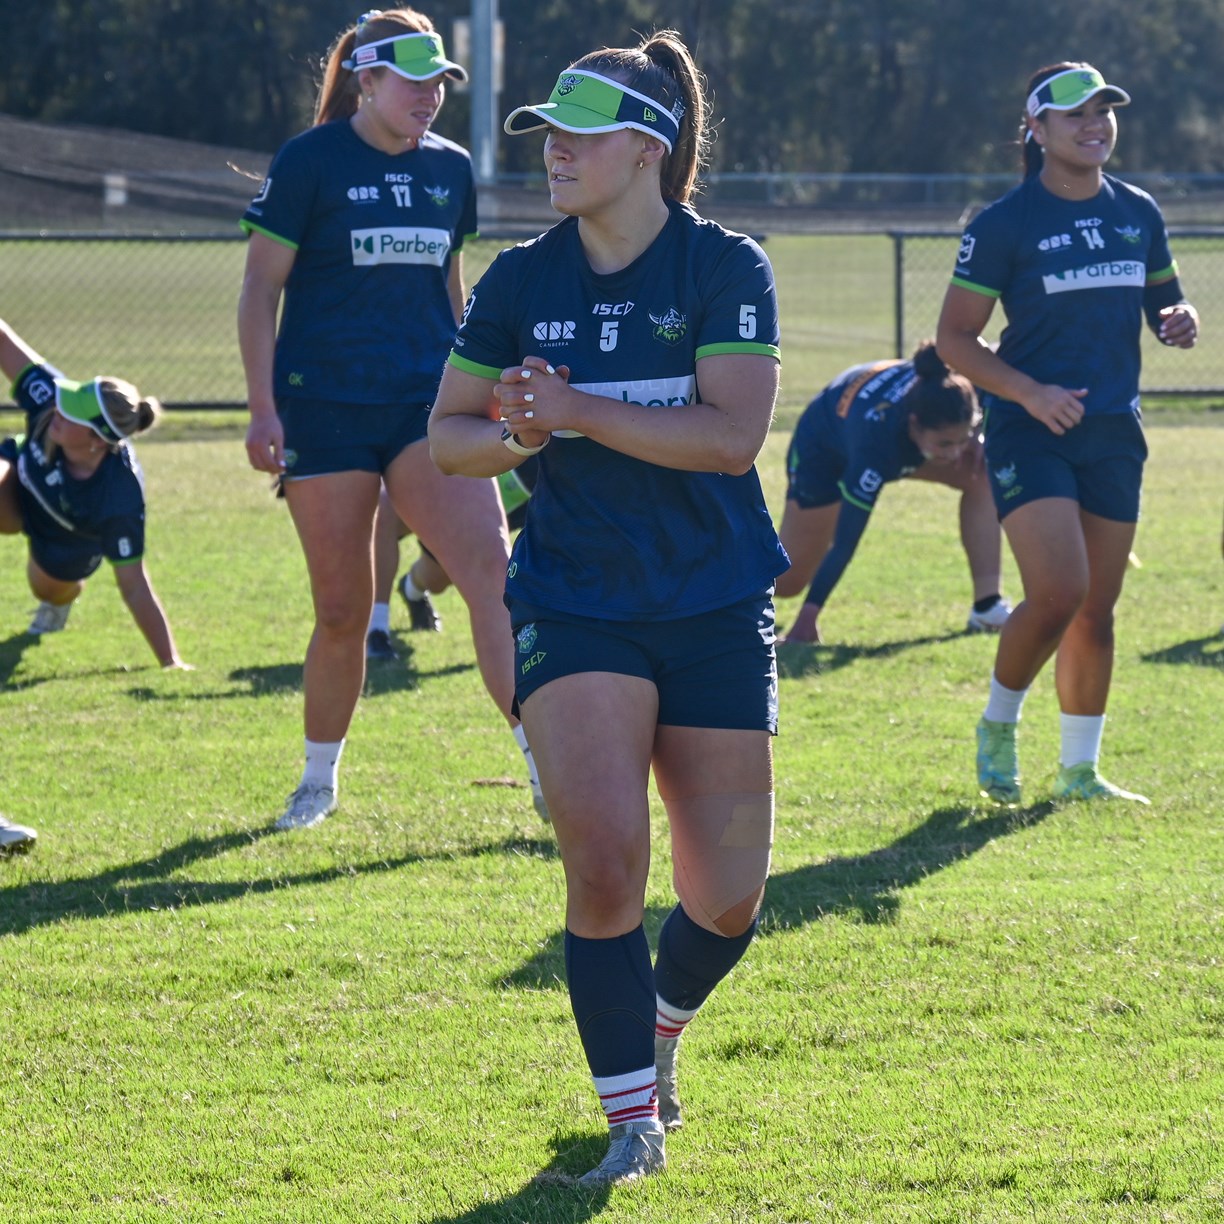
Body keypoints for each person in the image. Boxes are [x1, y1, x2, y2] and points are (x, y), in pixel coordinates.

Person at [429, 31, 787, 1186]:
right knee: (603, 859)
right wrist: (519, 433)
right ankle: (632, 1123)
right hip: (575, 600)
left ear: (646, 148)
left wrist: (575, 409)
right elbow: (449, 437)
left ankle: (662, 1025)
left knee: (729, 895)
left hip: (715, 601)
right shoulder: (520, 280)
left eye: (577, 136)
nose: (553, 154)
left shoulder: (724, 266)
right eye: (546, 136)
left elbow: (731, 439)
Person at [238, 8, 546, 829]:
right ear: (366, 81)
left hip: (426, 408)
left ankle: (545, 769)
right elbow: (259, 291)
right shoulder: (309, 161)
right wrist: (263, 408)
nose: (430, 97)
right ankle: (317, 782)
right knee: (344, 610)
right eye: (414, 82)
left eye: (440, 83)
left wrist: (479, 386)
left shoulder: (451, 168)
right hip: (325, 410)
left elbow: (451, 290)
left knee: (495, 577)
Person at [936, 62, 1199, 806]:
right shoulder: (1003, 223)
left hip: (1114, 431)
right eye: (1076, 114)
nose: (1095, 125)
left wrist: (1180, 321)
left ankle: (1080, 771)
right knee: (1059, 591)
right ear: (1037, 129)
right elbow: (955, 339)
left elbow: (1166, 304)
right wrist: (1030, 392)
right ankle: (998, 723)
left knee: (1096, 609)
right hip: (1031, 429)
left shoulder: (1138, 211)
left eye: (1104, 111)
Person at [776, 341, 1011, 643]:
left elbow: (994, 355)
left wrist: (977, 434)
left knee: (981, 475)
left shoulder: (957, 391)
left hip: (883, 422)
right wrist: (807, 619)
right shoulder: (876, 445)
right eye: (945, 443)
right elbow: (845, 541)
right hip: (823, 446)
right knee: (788, 581)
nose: (955, 453)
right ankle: (727, 584)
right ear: (915, 425)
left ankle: (987, 606)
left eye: (960, 440)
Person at [0, 318, 190, 668]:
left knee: (47, 589)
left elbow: (134, 586)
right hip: (18, 481)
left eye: (73, 413)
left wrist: (170, 661)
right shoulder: (52, 399)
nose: (59, 410)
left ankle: (59, 602)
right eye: (68, 401)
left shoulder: (119, 497)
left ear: (98, 441)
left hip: (65, 539)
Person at [366, 457, 538, 657]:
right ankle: (376, 626)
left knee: (437, 578)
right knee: (387, 502)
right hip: (463, 466)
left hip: (516, 497)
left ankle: (412, 589)